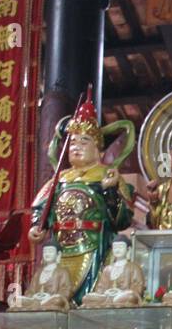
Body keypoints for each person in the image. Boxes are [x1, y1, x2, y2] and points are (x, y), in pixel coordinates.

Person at [28, 91, 134, 304]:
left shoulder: (107, 175)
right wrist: (36, 226)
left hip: (93, 246)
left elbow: (122, 220)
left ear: (98, 147)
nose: (76, 147)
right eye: (73, 143)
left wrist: (110, 191)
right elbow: (41, 208)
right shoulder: (61, 179)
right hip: (59, 249)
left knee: (89, 297)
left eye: (84, 142)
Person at [80, 235, 145, 308]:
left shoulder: (134, 267)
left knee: (130, 296)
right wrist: (107, 292)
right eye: (115, 247)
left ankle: (114, 301)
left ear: (128, 249)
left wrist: (120, 292)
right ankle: (112, 302)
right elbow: (100, 288)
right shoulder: (107, 269)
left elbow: (138, 288)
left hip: (123, 296)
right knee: (86, 298)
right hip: (107, 297)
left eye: (120, 247)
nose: (117, 250)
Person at [9, 242, 74, 312]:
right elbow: (30, 291)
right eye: (45, 252)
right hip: (35, 300)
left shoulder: (63, 272)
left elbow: (67, 291)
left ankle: (39, 305)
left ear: (58, 254)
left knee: (58, 300)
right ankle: (39, 305)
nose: (47, 254)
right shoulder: (38, 272)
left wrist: (49, 297)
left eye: (50, 251)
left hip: (51, 300)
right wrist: (34, 296)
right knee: (14, 300)